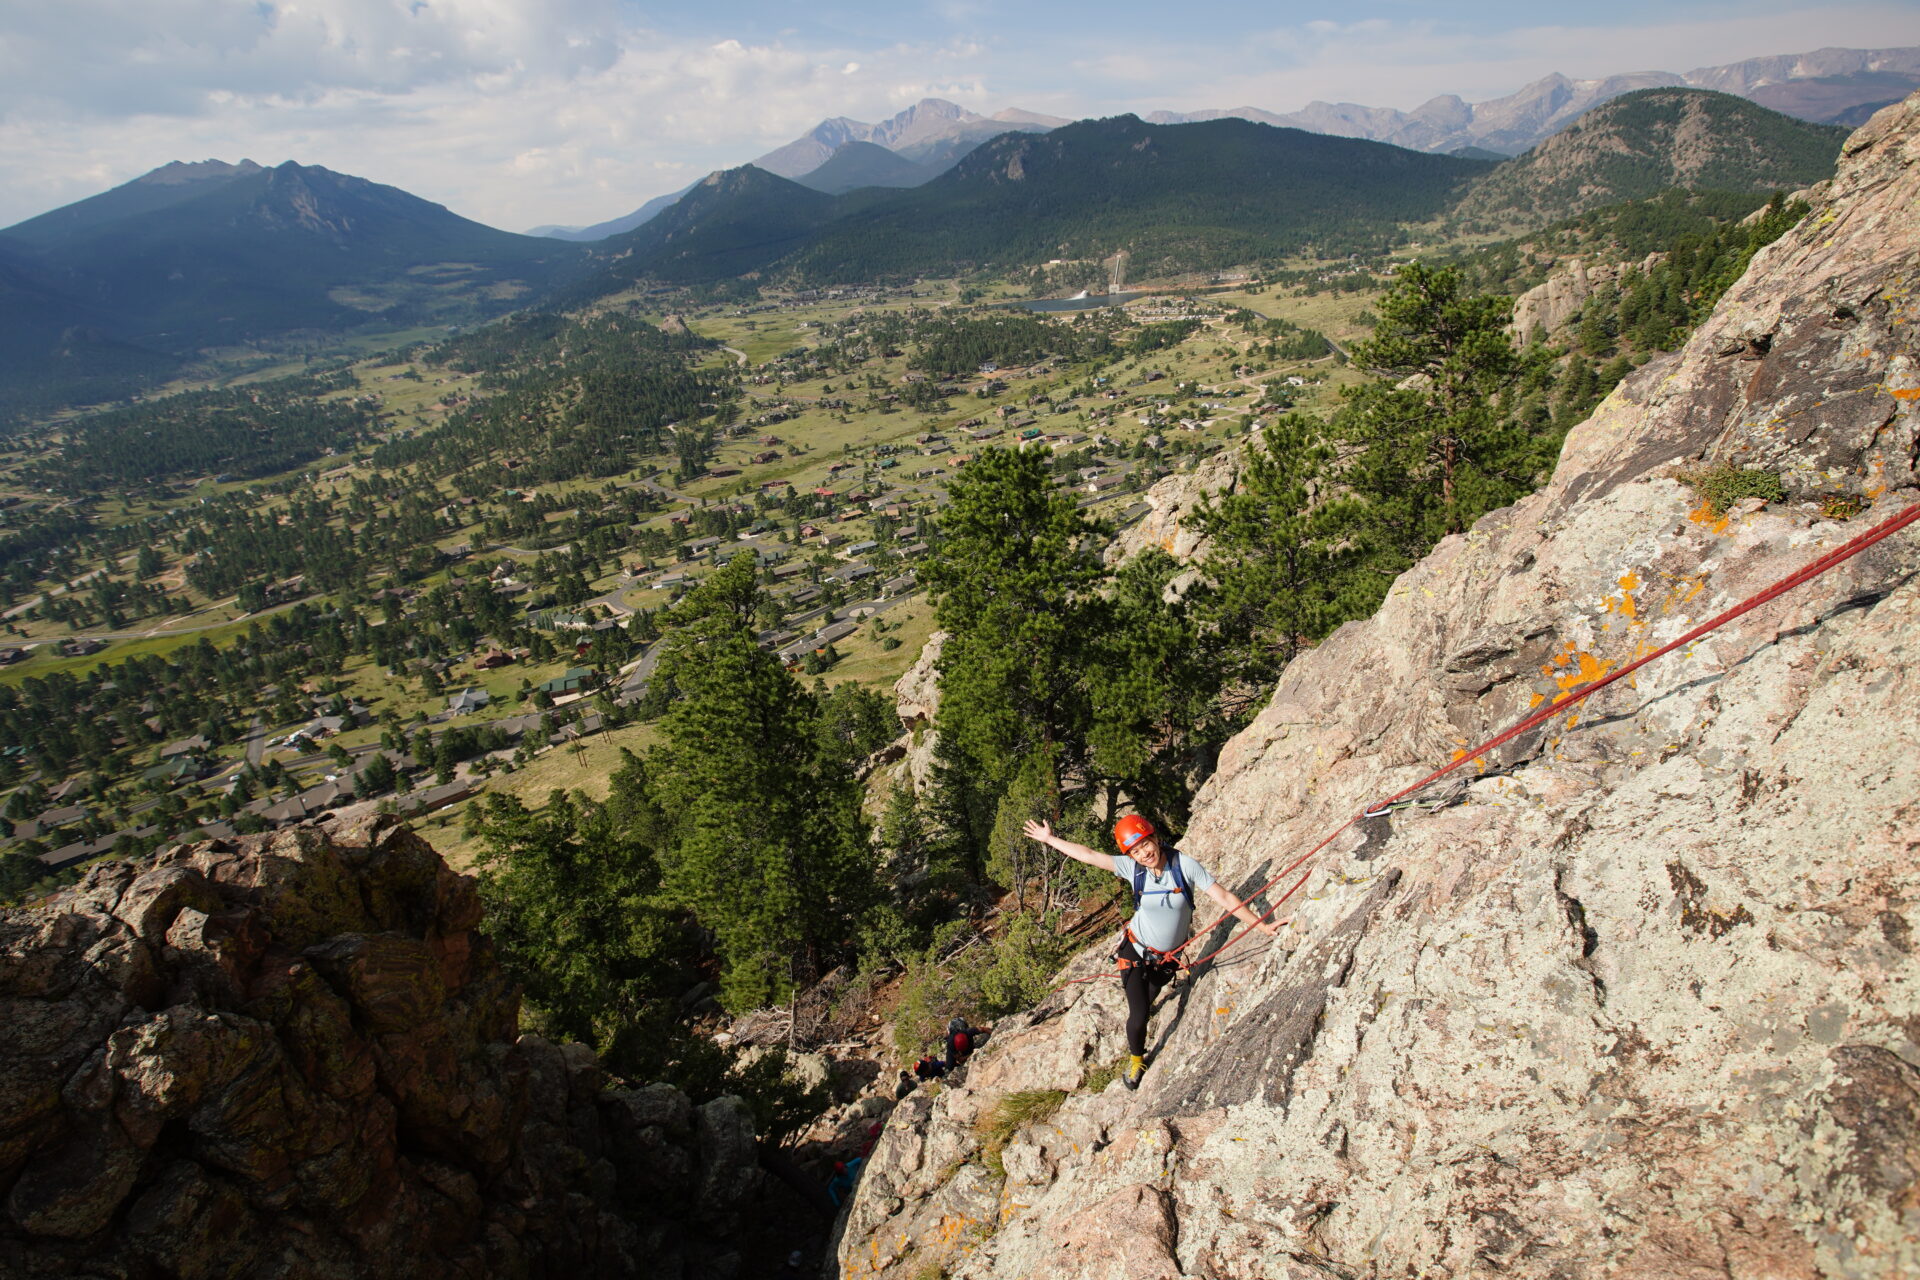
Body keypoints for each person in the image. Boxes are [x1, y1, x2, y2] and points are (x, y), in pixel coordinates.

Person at [1024, 813, 1280, 1090]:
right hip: (1134, 950)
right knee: (1139, 1013)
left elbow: (1225, 897)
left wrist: (1262, 926)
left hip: (1168, 958)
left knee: (1151, 994)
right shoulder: (1132, 868)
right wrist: (1050, 839)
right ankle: (1136, 1060)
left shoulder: (1184, 866)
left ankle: (1147, 1012)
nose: (1143, 853)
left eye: (1145, 844)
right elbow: (1088, 855)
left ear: (1155, 839)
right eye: (1135, 850)